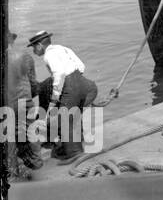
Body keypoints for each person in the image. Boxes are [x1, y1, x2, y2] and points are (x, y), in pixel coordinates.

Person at [27, 32, 101, 161]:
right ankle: (77, 141)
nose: (34, 51)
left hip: (70, 86)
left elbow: (59, 74)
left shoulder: (48, 55)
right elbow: (81, 66)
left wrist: (55, 97)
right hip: (87, 87)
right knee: (73, 114)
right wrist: (76, 82)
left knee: (64, 118)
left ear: (39, 45)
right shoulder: (63, 48)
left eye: (34, 47)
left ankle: (74, 153)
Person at [6, 30, 42, 174]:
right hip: (24, 101)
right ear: (11, 41)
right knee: (30, 131)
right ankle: (36, 162)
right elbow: (33, 84)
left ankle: (12, 169)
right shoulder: (25, 56)